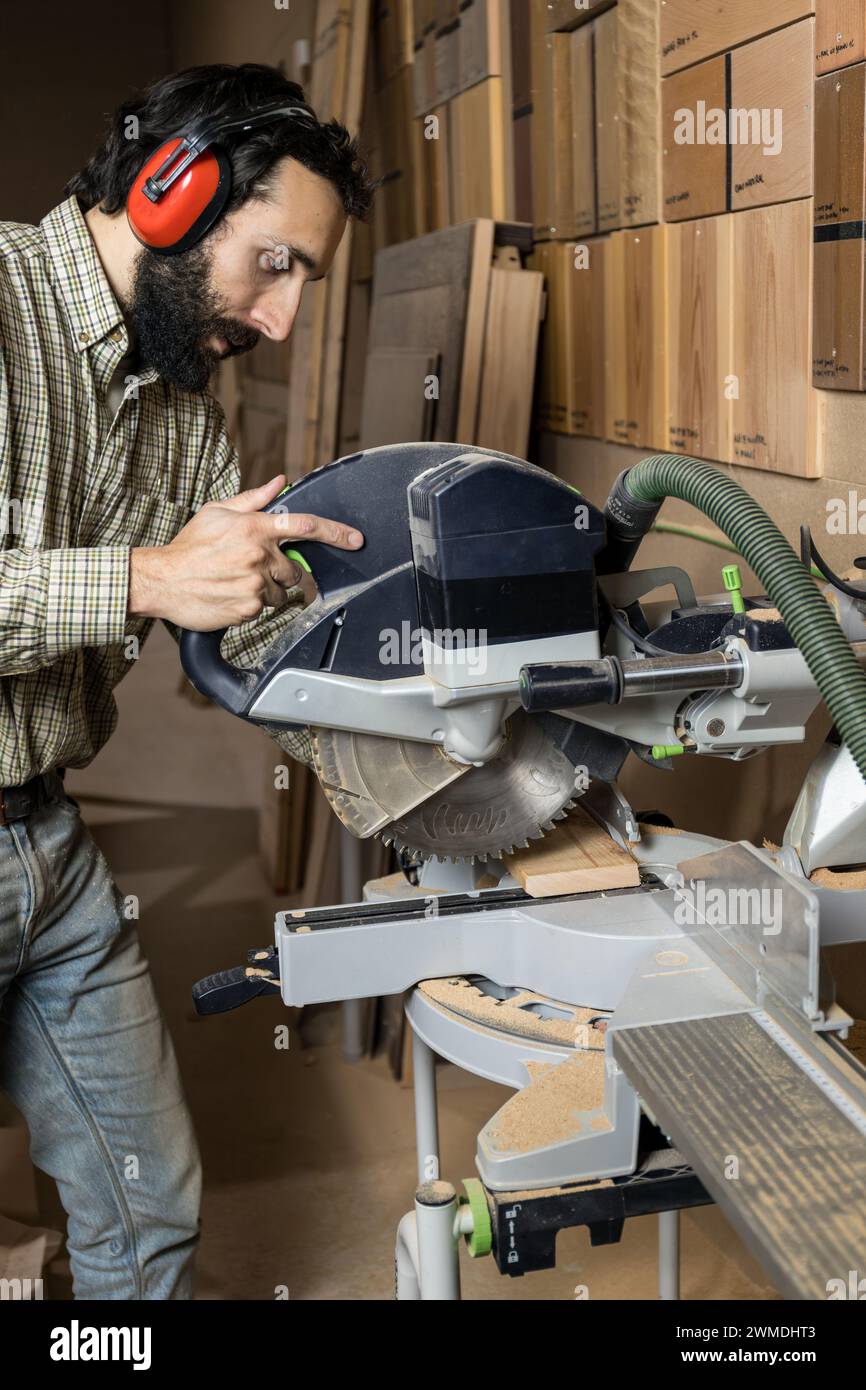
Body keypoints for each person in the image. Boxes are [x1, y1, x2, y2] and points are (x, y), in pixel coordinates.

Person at [0, 62, 374, 1298]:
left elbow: (244, 649)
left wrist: (426, 688)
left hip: (50, 844)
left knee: (146, 1211)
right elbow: (155, 584)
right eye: (276, 264)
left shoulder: (187, 422)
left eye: (303, 286)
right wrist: (145, 579)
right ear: (171, 190)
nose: (280, 322)